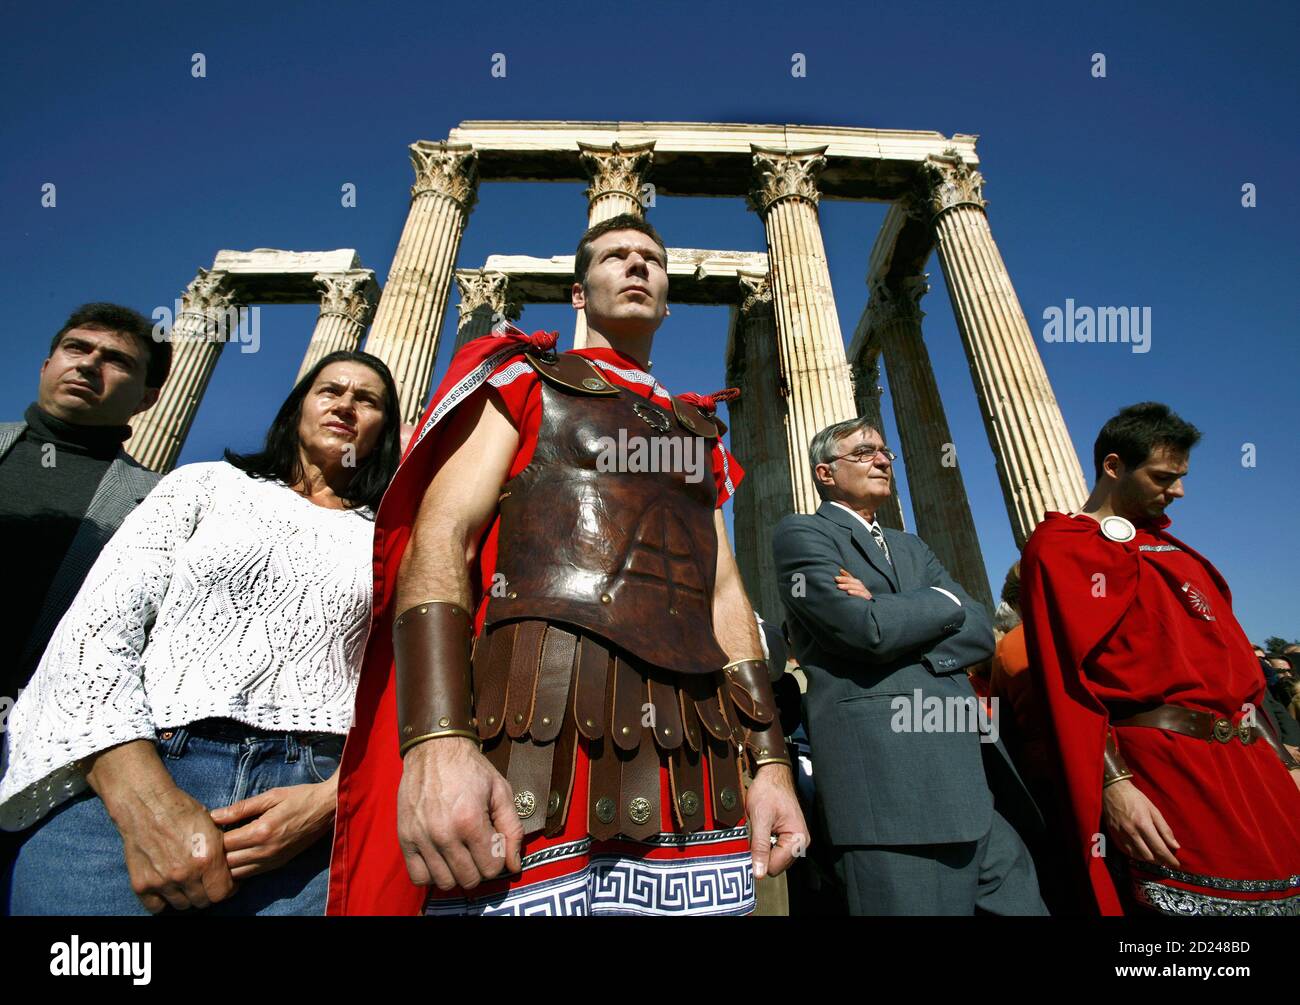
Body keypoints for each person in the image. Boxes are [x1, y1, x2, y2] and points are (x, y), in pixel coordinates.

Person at [327, 213, 807, 916]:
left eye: (651, 258)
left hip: (693, 755)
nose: (637, 265)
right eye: (616, 256)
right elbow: (442, 536)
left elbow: (724, 595)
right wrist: (434, 740)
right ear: (579, 293)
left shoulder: (693, 429)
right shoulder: (522, 376)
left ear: (669, 299)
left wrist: (769, 760)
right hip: (536, 736)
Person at [0, 351, 401, 915]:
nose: (346, 404)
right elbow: (97, 629)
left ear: (386, 427)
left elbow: (399, 683)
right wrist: (147, 803)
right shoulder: (206, 485)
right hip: (146, 762)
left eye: (369, 399)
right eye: (329, 389)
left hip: (307, 801)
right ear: (297, 408)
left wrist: (331, 802)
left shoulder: (390, 533)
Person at [1020, 402, 1300, 915]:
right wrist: (1114, 784)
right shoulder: (1061, 547)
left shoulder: (1184, 556)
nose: (1178, 491)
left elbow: (1244, 684)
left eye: (1181, 477)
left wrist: (1284, 762)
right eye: (1164, 477)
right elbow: (1067, 684)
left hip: (1253, 770)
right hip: (1164, 770)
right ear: (1113, 466)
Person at [771, 417, 1045, 915]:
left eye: (885, 452)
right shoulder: (801, 534)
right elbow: (862, 631)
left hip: (975, 784)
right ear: (825, 473)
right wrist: (939, 605)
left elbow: (980, 630)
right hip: (892, 794)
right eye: (864, 452)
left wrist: (884, 603)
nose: (881, 459)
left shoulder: (912, 545)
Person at [0, 302, 172, 908]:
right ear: (47, 362)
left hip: (46, 745)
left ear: (149, 397)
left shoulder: (159, 503)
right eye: (77, 349)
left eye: (116, 361)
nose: (89, 365)